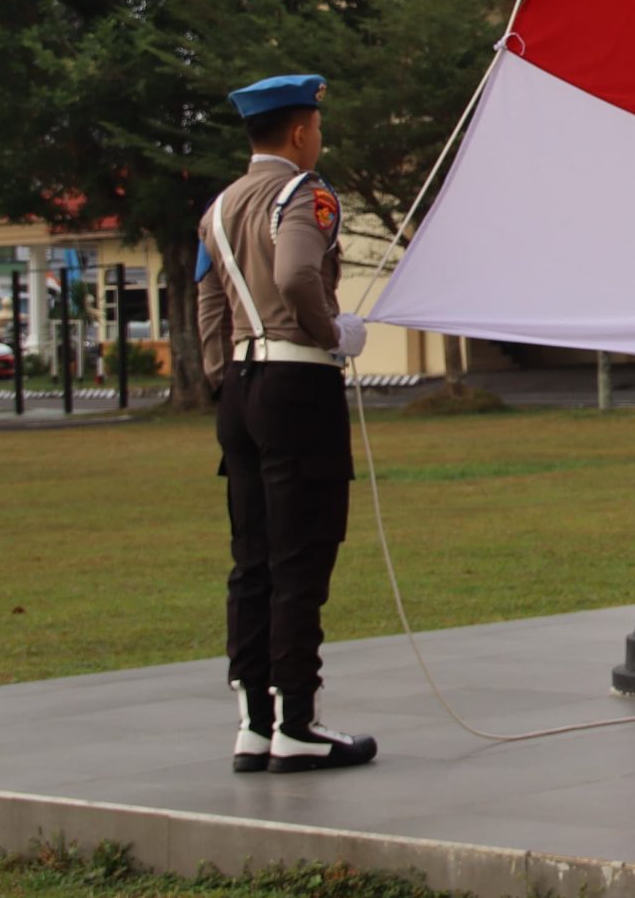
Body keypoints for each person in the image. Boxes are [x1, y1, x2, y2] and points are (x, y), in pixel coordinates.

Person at [197, 73, 374, 775]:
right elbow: (301, 273)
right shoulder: (304, 192)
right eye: (318, 128)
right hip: (297, 379)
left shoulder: (216, 207)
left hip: (241, 386)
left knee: (255, 557)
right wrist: (332, 332)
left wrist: (229, 375)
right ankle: (298, 718)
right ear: (301, 131)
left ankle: (255, 723)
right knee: (302, 551)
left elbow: (209, 305)